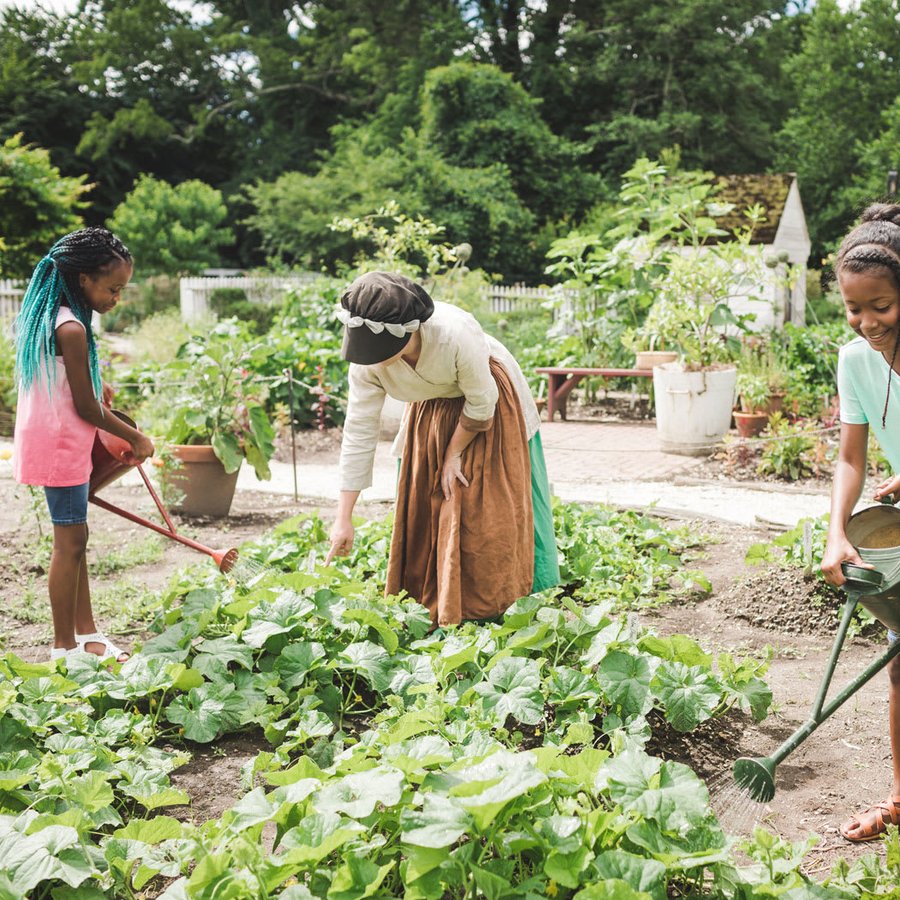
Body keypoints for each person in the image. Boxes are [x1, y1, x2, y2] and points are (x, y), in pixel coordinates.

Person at [326, 271, 559, 627]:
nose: (370, 358)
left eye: (377, 350)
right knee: (429, 497)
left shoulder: (455, 335)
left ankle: (498, 603)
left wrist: (454, 453)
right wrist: (344, 518)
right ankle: (433, 596)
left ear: (409, 332)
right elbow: (359, 431)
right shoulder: (367, 363)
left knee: (484, 501)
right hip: (428, 408)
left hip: (488, 401)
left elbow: (482, 404)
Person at [13, 227, 155, 663]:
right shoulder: (71, 328)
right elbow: (88, 410)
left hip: (57, 442)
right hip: (61, 447)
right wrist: (135, 437)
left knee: (75, 540)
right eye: (112, 288)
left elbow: (64, 381)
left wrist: (97, 382)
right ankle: (64, 649)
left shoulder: (52, 317)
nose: (117, 298)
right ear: (83, 280)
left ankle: (86, 633)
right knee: (69, 543)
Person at [821, 203, 900, 841]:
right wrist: (835, 532)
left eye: (883, 306)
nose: (867, 322)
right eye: (855, 307)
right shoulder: (856, 360)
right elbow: (852, 458)